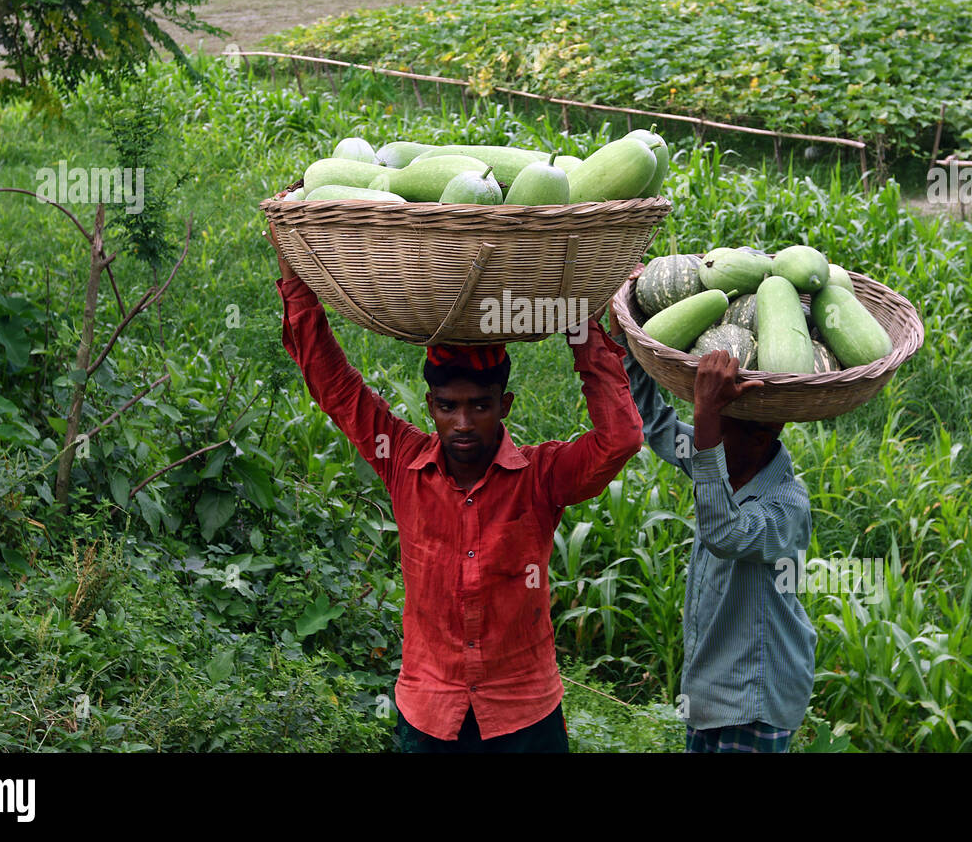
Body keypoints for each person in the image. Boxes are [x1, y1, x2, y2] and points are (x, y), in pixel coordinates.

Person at [266, 223, 643, 752]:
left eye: (479, 406)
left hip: (524, 713)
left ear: (504, 406)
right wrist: (294, 271)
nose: (463, 423)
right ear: (432, 408)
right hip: (429, 709)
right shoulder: (400, 460)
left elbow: (619, 439)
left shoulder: (541, 477)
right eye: (448, 407)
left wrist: (580, 325)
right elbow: (334, 384)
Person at [608, 265, 816, 752]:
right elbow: (656, 424)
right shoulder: (721, 459)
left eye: (716, 429)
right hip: (711, 691)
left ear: (762, 437)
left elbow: (725, 534)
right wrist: (628, 342)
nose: (706, 442)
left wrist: (704, 422)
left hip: (756, 698)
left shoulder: (786, 505)